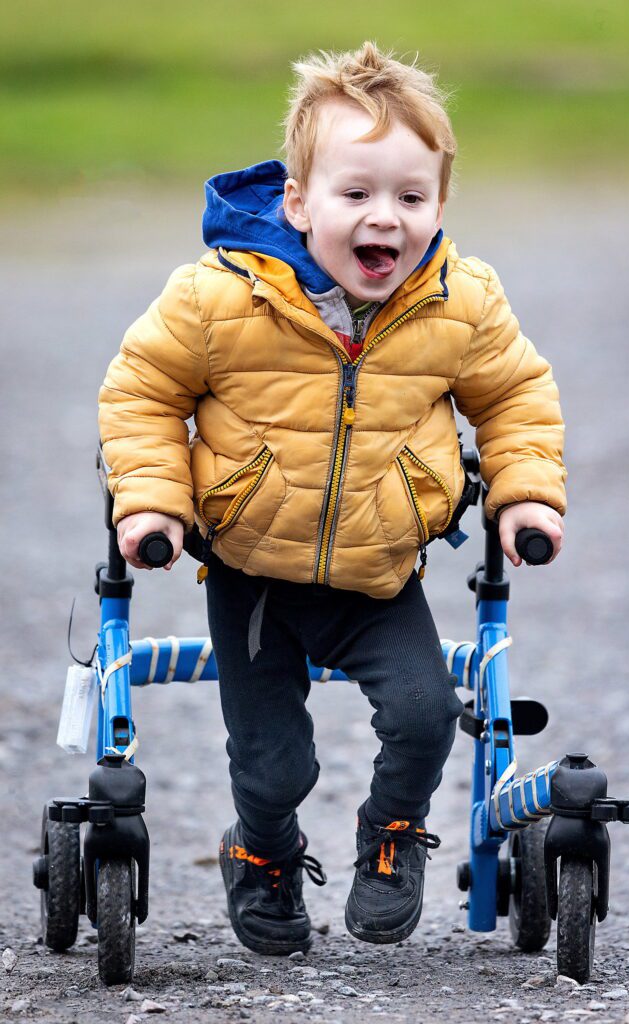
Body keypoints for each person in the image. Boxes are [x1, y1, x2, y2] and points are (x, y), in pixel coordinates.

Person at [98, 41, 566, 955]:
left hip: (380, 573)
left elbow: (514, 396)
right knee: (274, 766)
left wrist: (524, 494)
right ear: (298, 202)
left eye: (409, 197)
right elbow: (143, 392)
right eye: (355, 195)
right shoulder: (216, 299)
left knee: (428, 716)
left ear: (438, 207)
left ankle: (391, 834)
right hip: (253, 573)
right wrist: (151, 503)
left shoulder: (458, 303)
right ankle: (262, 853)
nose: (382, 219)